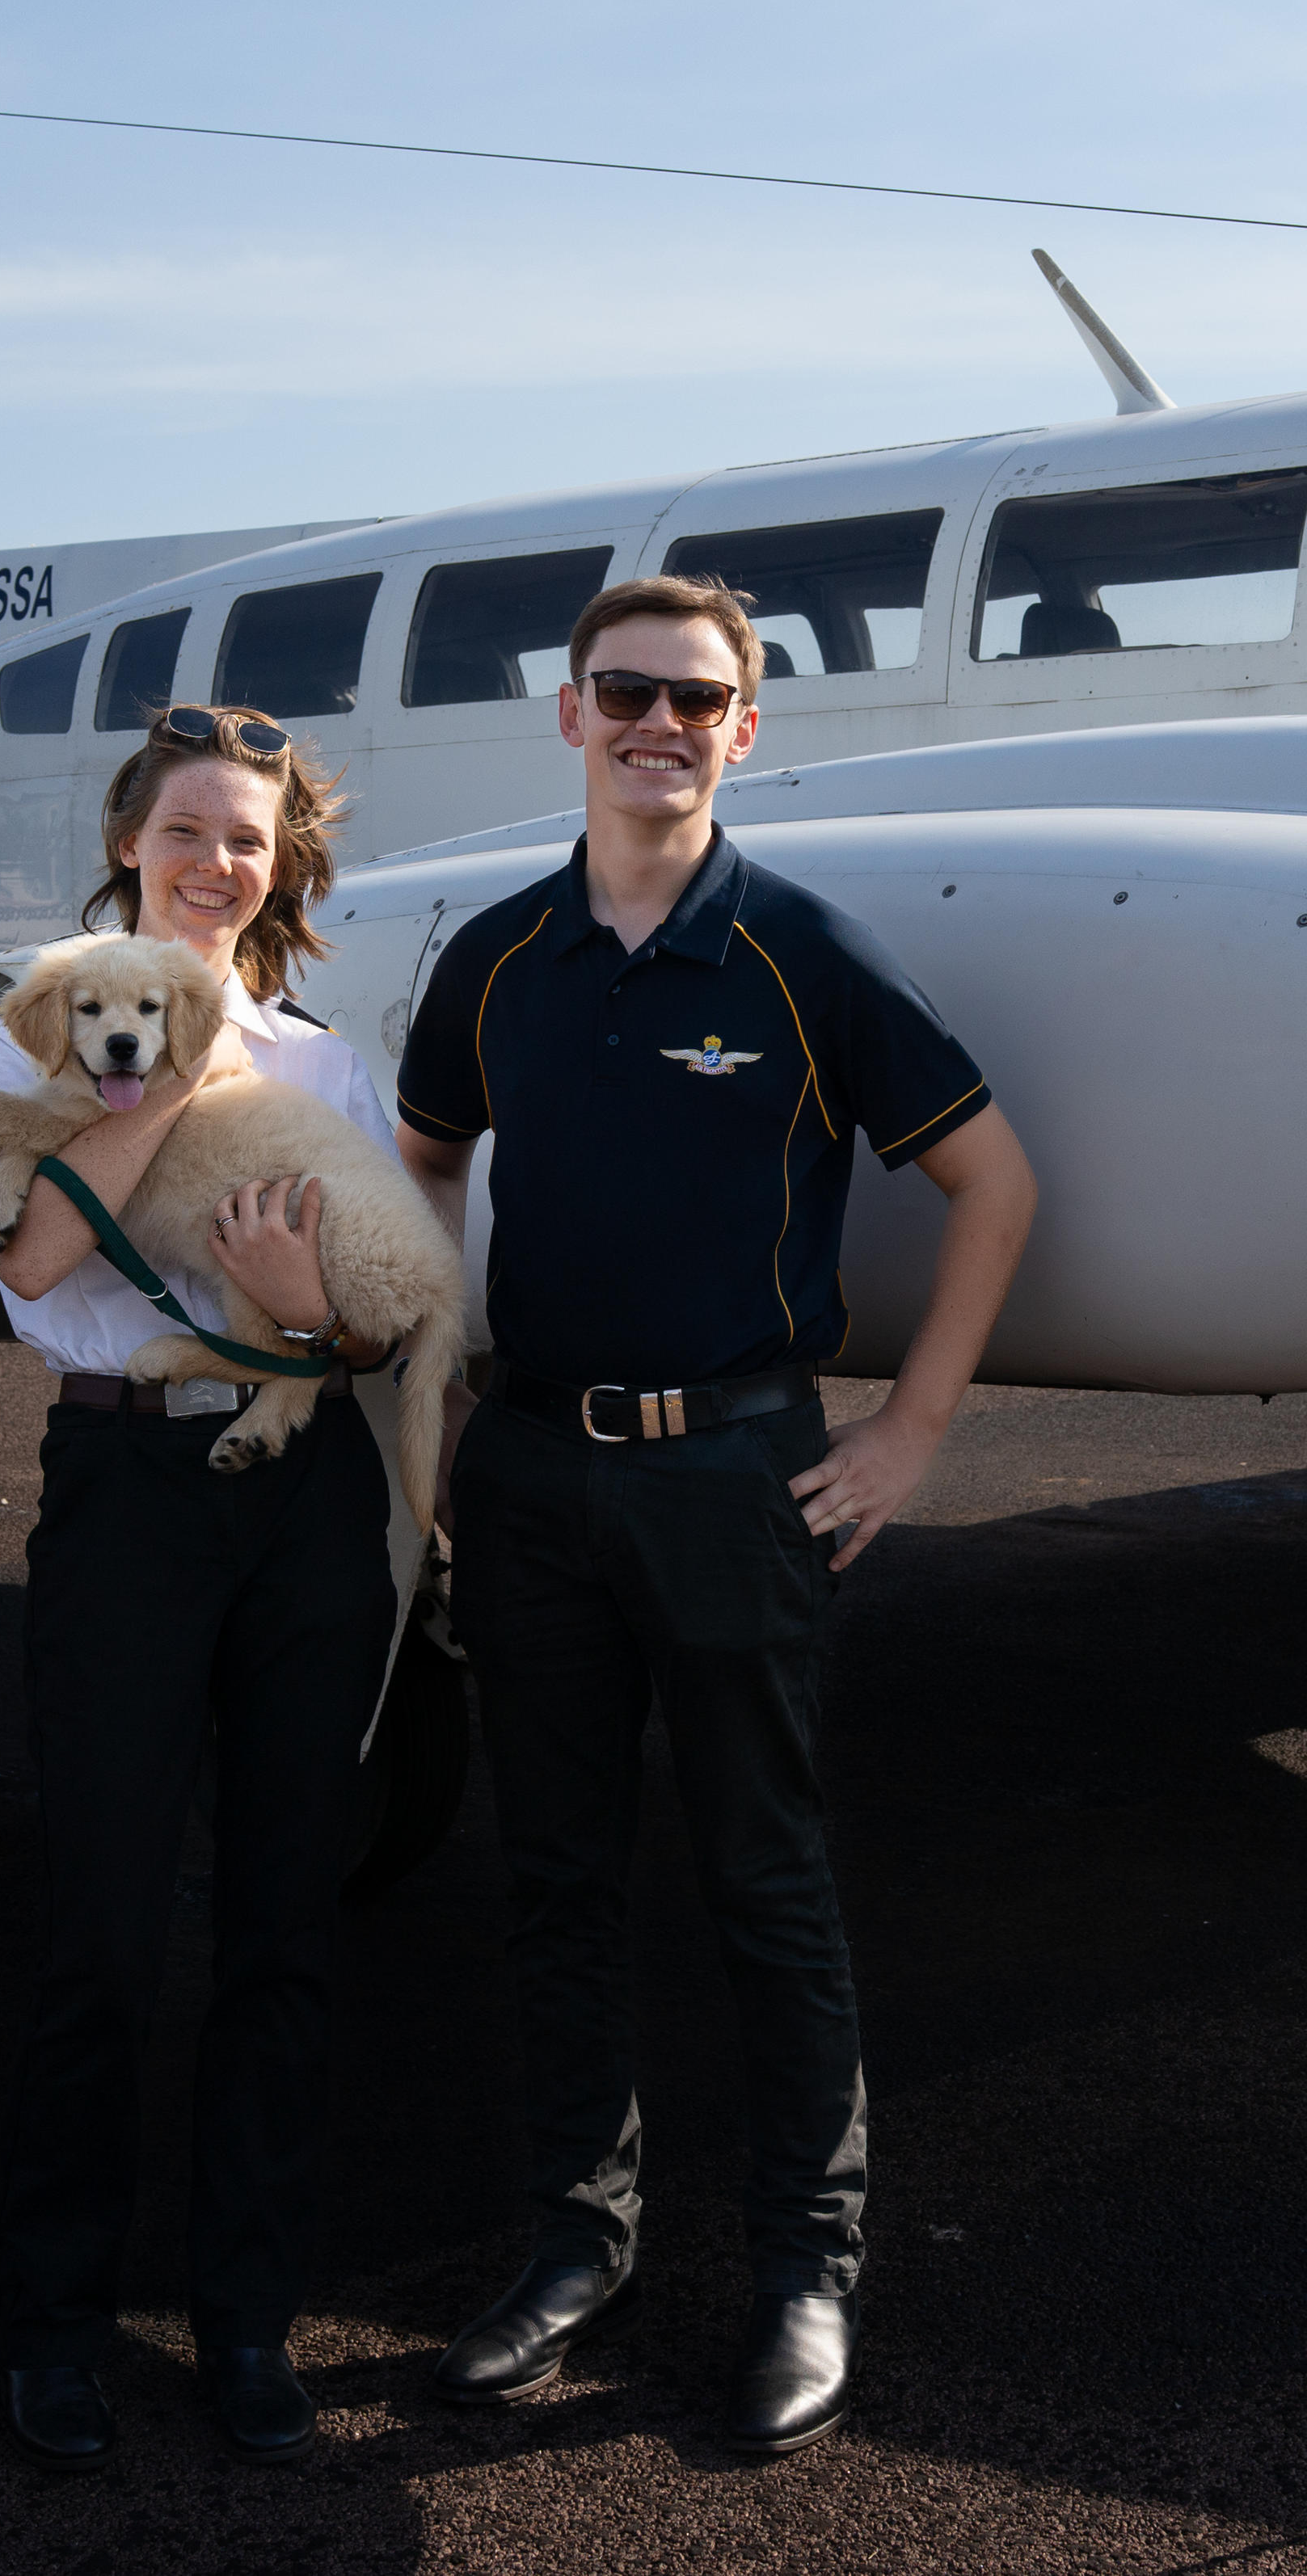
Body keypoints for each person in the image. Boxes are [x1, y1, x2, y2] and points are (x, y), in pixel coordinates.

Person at [393, 575, 1038, 2455]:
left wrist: (916, 1428)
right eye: (626, 693)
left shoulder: (803, 953)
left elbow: (993, 1182)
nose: (658, 724)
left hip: (734, 1472)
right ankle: (574, 2245)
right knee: (553, 1881)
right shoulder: (497, 959)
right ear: (571, 719)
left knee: (766, 1880)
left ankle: (805, 2267)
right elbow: (428, 1157)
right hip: (528, 1472)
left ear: (745, 728)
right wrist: (442, 1372)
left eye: (698, 697)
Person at [0, 704, 410, 2472]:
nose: (219, 862)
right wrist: (172, 1075)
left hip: (306, 1488)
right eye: (189, 831)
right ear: (129, 840)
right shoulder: (59, 1041)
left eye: (253, 839)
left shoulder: (334, 1066)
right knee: (103, 1925)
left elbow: (369, 1315)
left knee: (286, 1927)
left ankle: (245, 2320)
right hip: (130, 1483)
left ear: (280, 865)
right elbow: (40, 1258)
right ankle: (57, 2323)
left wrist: (308, 1302)